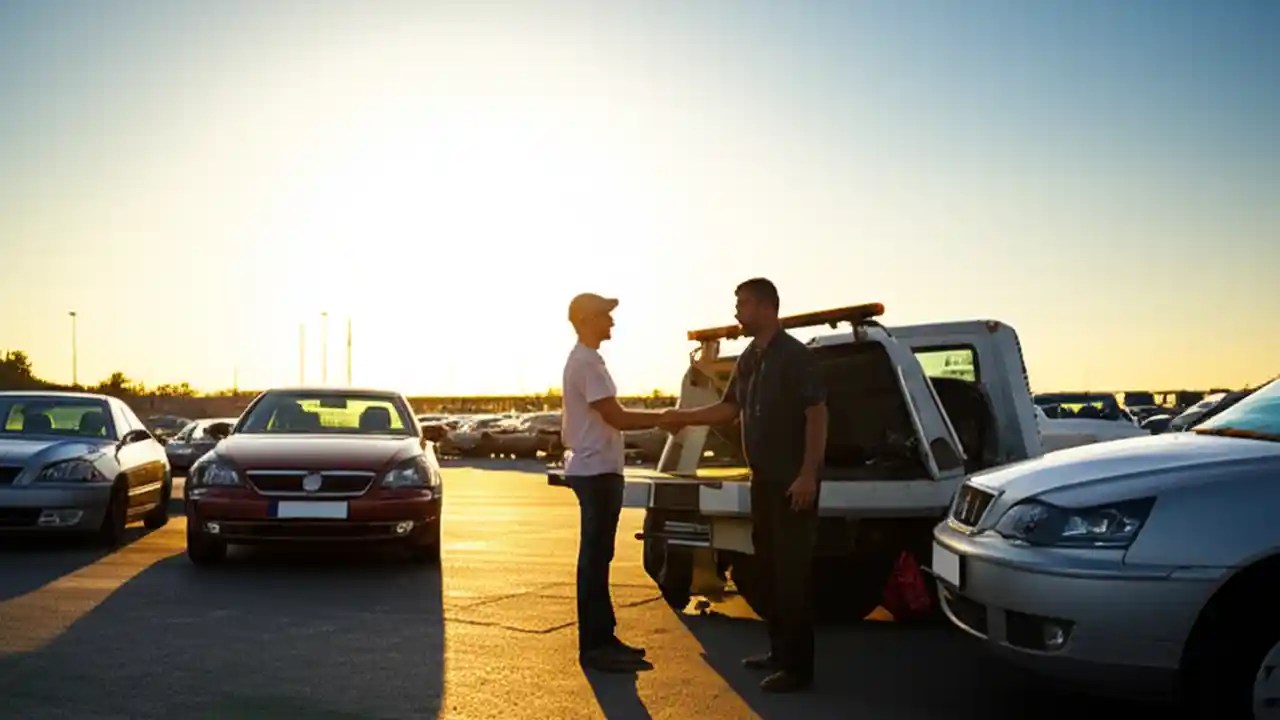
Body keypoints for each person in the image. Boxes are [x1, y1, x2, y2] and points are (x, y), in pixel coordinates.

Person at [661, 278, 828, 693]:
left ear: (768, 307)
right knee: (768, 570)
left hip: (794, 483)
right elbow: (727, 409)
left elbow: (817, 414)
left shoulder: (795, 357)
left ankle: (798, 668)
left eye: (744, 303)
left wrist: (808, 473)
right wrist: (684, 417)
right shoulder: (751, 359)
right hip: (763, 481)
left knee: (792, 575)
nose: (737, 311)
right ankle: (777, 652)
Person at [562, 292, 669, 673]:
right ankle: (595, 646)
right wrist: (665, 417)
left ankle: (603, 638)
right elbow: (617, 417)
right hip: (596, 472)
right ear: (589, 319)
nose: (612, 322)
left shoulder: (588, 360)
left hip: (596, 469)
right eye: (606, 316)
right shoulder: (587, 363)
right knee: (594, 559)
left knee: (598, 557)